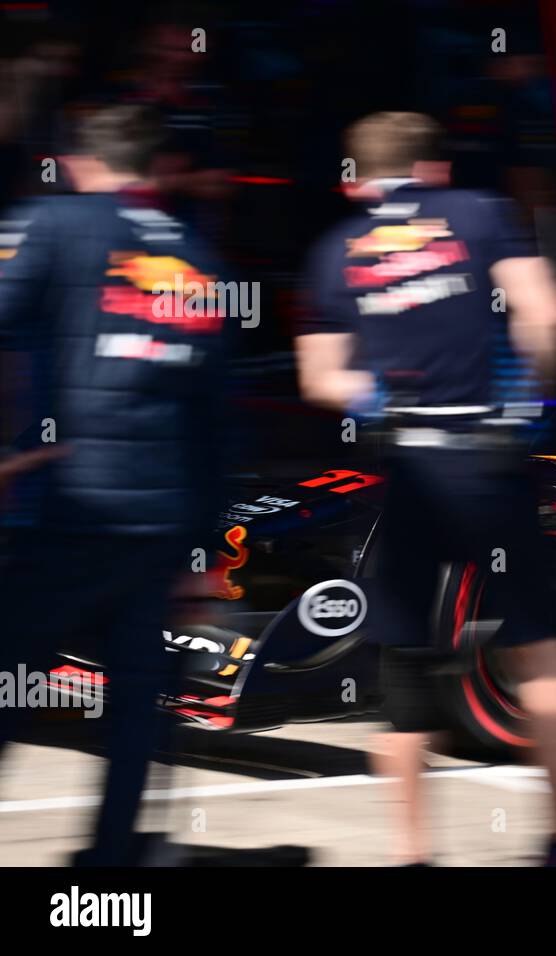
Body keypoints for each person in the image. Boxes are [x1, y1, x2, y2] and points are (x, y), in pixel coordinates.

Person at [295, 111, 556, 865]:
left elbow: (319, 378)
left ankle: (414, 853)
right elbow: (547, 314)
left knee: (406, 666)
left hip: (413, 471)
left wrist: (388, 399)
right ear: (437, 169)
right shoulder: (479, 212)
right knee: (539, 648)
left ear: (353, 183)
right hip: (491, 464)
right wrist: (530, 400)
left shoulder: (332, 251)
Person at [0, 105, 231, 865]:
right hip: (158, 520)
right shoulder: (196, 259)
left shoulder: (53, 223)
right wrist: (205, 551)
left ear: (77, 160)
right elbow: (215, 421)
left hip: (68, 506)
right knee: (135, 705)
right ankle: (109, 871)